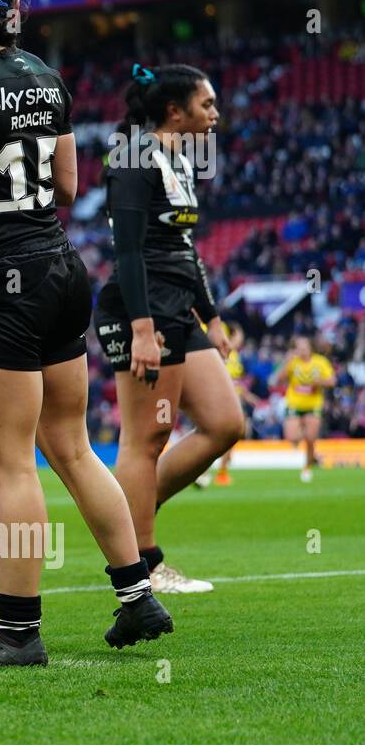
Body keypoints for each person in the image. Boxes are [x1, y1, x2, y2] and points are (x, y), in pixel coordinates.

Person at [0, 0, 173, 667]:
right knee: (73, 444)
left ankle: (18, 632)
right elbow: (64, 186)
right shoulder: (45, 78)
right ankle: (137, 596)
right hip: (60, 269)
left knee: (7, 467)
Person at [92, 63, 245, 594]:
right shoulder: (133, 159)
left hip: (178, 306)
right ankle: (145, 563)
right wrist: (140, 328)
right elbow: (127, 250)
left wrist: (214, 315)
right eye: (208, 105)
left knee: (226, 423)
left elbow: (183, 248)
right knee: (147, 438)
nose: (216, 115)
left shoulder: (175, 160)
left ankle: (126, 509)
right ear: (175, 111)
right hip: (142, 309)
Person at [273, 335, 336, 482]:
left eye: (304, 347)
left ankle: (307, 468)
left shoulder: (320, 362)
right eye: (298, 347)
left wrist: (318, 381)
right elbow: (278, 379)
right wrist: (286, 363)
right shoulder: (292, 362)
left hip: (313, 404)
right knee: (292, 437)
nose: (301, 350)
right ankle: (312, 455)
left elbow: (332, 381)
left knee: (310, 438)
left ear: (310, 348)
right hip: (294, 403)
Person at [215, 323, 260, 486]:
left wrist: (248, 396)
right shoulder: (217, 353)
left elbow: (236, 381)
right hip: (220, 398)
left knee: (238, 432)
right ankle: (217, 471)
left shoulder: (235, 357)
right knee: (228, 434)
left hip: (236, 398)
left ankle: (222, 469)